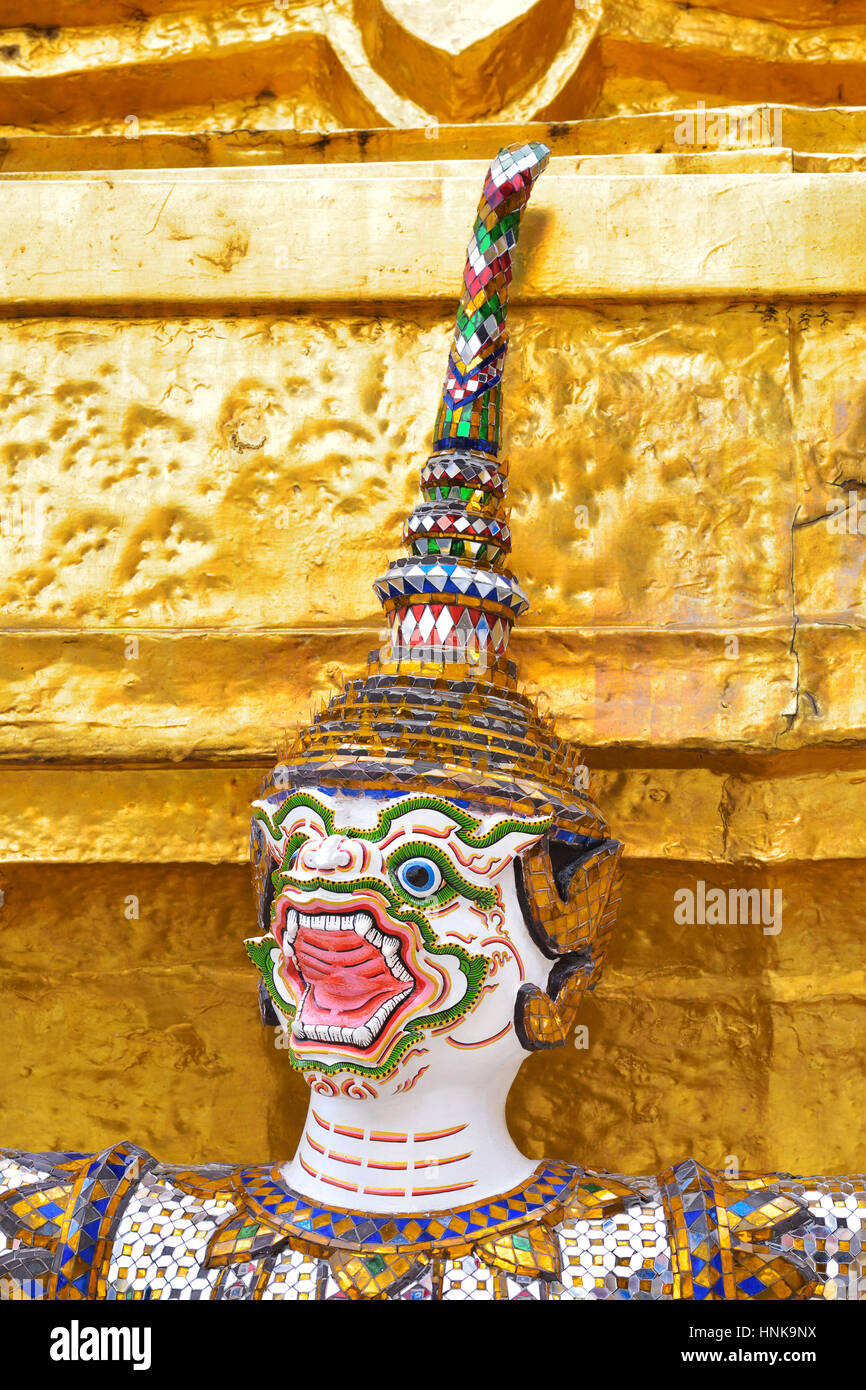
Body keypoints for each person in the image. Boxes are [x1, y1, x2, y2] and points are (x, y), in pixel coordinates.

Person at [0, 143, 861, 1302]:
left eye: (414, 869)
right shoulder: (98, 1241)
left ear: (562, 933)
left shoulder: (682, 1265)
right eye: (301, 858)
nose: (326, 906)